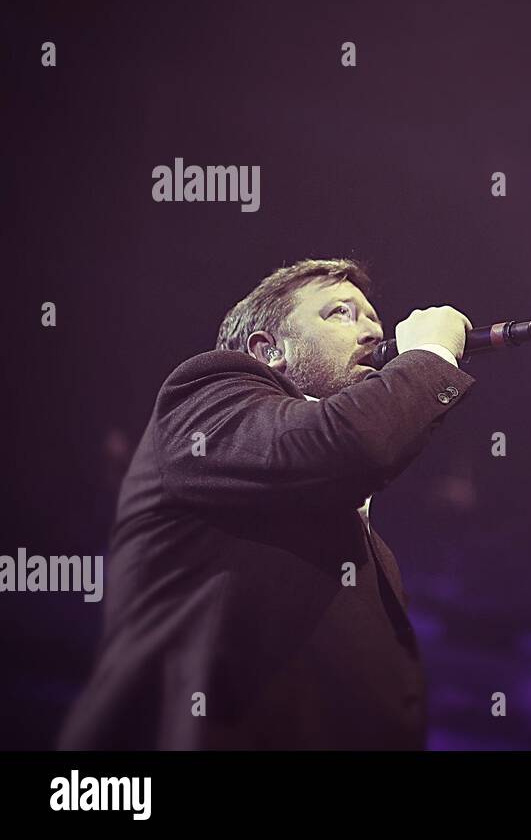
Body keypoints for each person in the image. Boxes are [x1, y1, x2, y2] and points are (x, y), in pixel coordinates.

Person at [57, 257, 475, 749]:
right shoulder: (208, 392)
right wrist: (429, 356)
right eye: (341, 313)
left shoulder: (366, 537)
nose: (371, 333)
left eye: (373, 320)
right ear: (269, 349)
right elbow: (348, 443)